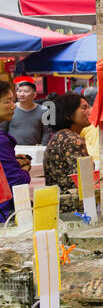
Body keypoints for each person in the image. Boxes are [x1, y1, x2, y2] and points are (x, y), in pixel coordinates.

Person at [44, 93, 92, 211]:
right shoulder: (74, 141)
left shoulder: (58, 137)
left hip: (56, 205)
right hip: (73, 208)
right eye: (84, 108)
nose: (90, 111)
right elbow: (82, 180)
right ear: (68, 115)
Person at [0, 81, 33, 220]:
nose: (13, 106)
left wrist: (14, 163)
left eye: (13, 101)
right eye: (8, 101)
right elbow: (16, 182)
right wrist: (24, 171)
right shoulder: (1, 141)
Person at [4, 77, 50, 146]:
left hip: (34, 149)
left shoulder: (43, 110)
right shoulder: (10, 108)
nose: (22, 94)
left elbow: (46, 131)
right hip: (13, 148)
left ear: (34, 95)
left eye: (26, 91)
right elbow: (3, 129)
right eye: (19, 91)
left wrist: (43, 146)